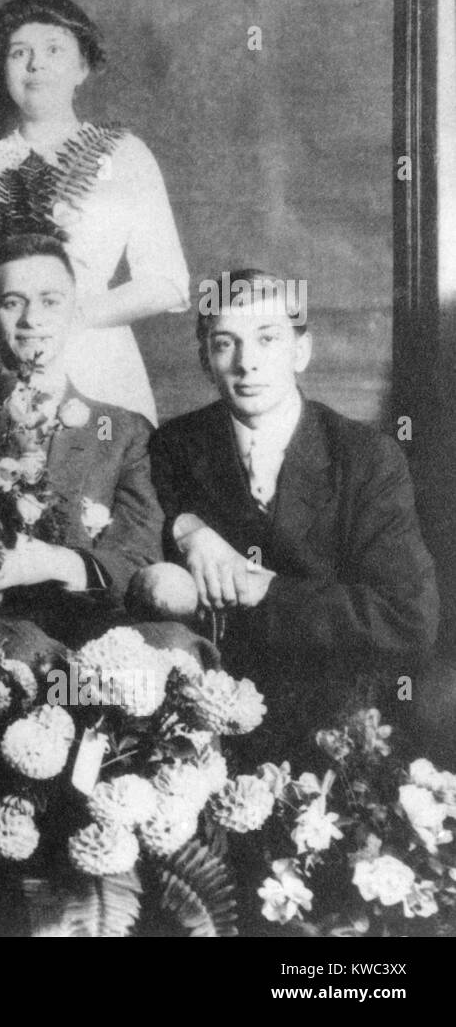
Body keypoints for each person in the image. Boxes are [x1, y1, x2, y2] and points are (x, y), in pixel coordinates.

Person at [139, 270, 440, 751]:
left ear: (301, 351)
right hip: (201, 727)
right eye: (225, 344)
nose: (246, 364)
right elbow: (144, 543)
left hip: (330, 727)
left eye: (267, 339)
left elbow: (407, 620)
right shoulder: (174, 446)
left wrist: (269, 592)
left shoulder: (365, 458)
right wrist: (186, 528)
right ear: (204, 360)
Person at [0, 0, 189, 425]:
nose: (36, 64)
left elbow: (169, 282)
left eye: (54, 50)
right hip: (2, 363)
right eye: (19, 53)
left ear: (82, 68)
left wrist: (72, 315)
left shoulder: (123, 154)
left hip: (99, 362)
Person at [0, 233, 163, 646]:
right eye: (13, 302)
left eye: (50, 301)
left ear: (73, 309)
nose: (32, 319)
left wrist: (54, 564)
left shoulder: (124, 432)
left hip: (96, 644)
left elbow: (140, 564)